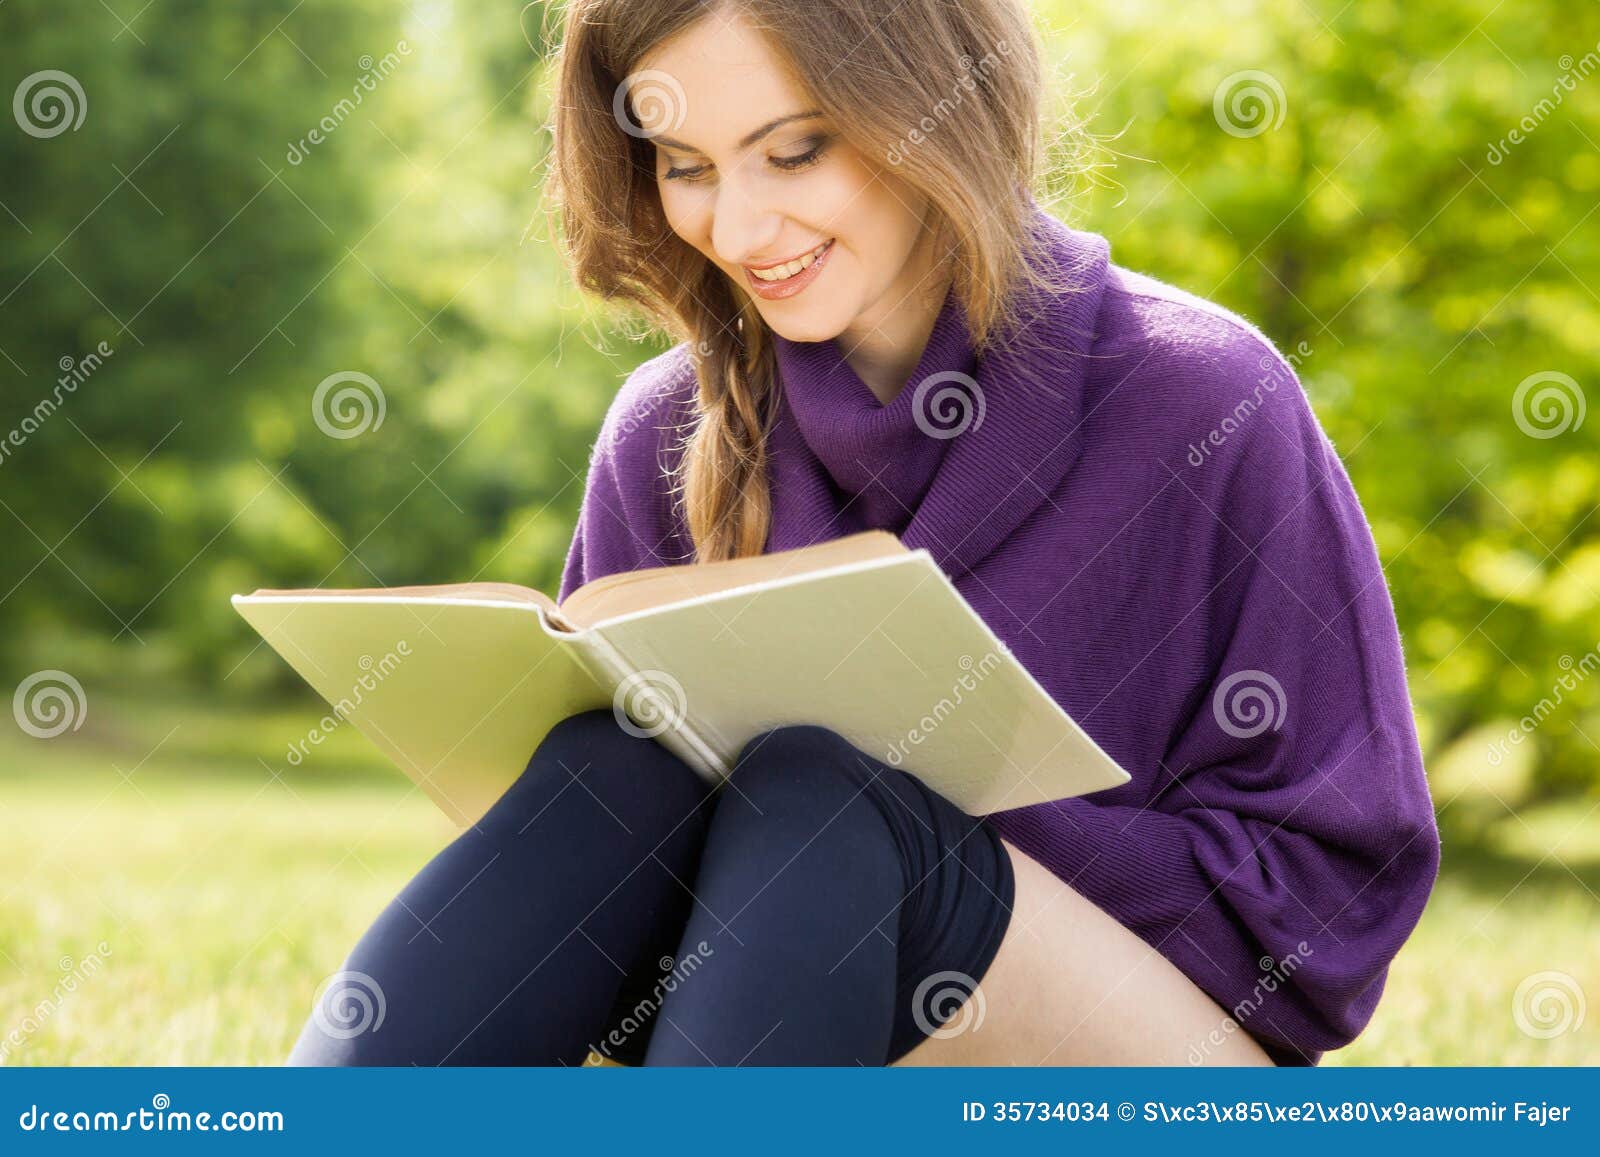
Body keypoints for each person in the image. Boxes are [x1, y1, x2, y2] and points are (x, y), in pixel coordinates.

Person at [287, 0, 1440, 1068]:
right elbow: (595, 879)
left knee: (819, 797)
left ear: (934, 108)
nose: (737, 226)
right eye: (686, 169)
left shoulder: (1200, 396)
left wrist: (946, 802)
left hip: (1148, 1047)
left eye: (795, 152)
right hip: (769, 1023)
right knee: (611, 768)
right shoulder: (662, 431)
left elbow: (1333, 898)